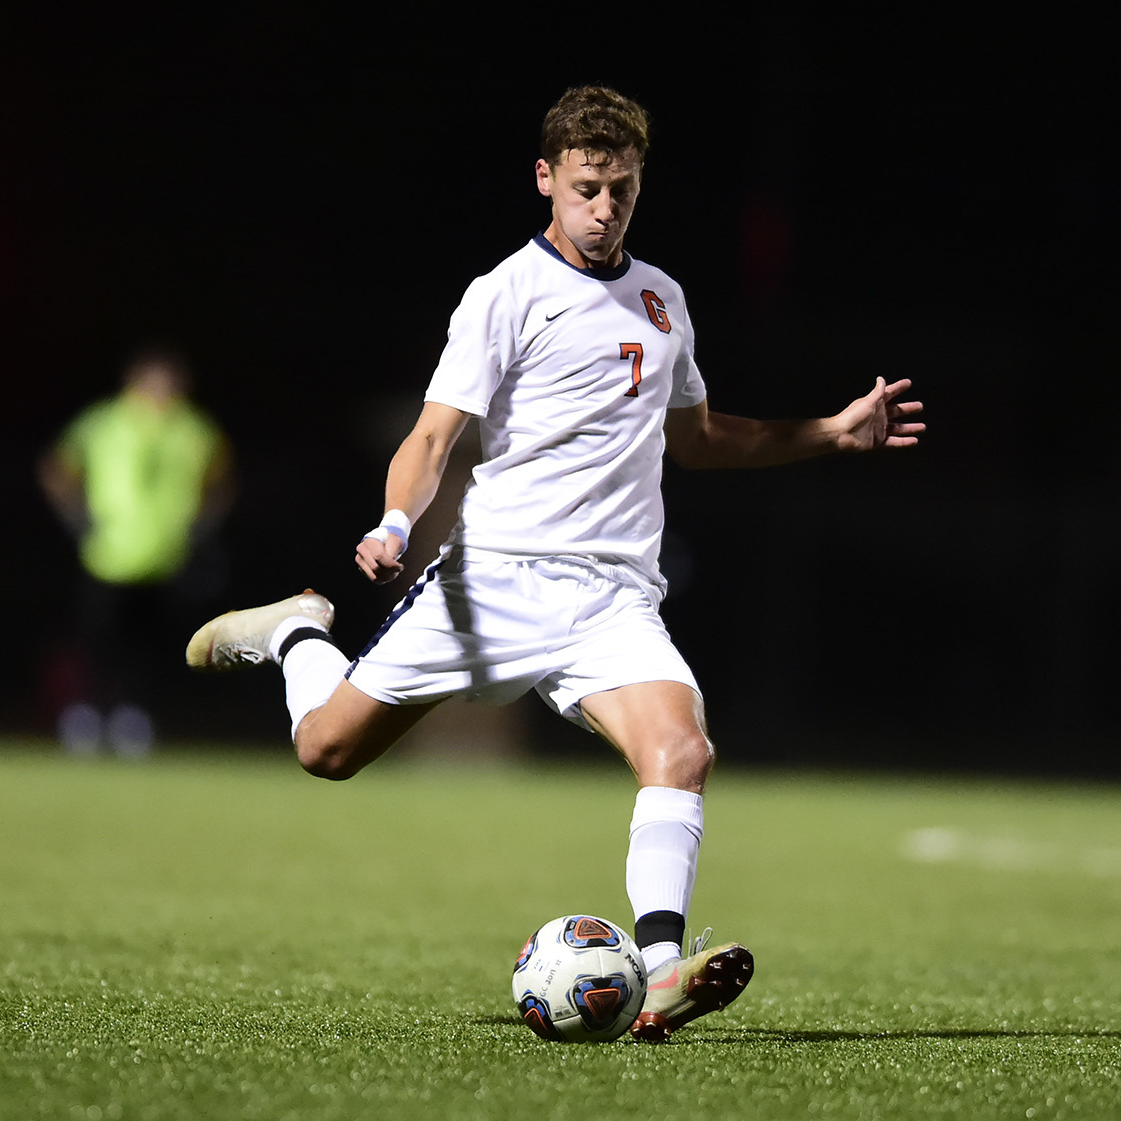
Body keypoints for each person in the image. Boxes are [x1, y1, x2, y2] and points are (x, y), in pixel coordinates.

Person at [185, 87, 923, 1040]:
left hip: (613, 598)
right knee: (325, 750)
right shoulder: (504, 294)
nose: (605, 208)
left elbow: (697, 439)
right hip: (495, 579)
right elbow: (434, 436)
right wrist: (396, 523)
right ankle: (295, 631)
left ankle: (662, 969)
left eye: (622, 190)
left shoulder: (662, 299)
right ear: (545, 179)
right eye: (586, 188)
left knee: (683, 751)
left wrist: (829, 431)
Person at [41, 349, 233, 756]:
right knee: (97, 642)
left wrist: (201, 527)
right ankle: (85, 716)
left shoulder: (193, 429)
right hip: (107, 554)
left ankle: (132, 718)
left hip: (166, 557)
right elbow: (56, 468)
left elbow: (222, 479)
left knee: (149, 648)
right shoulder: (104, 422)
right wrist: (78, 520)